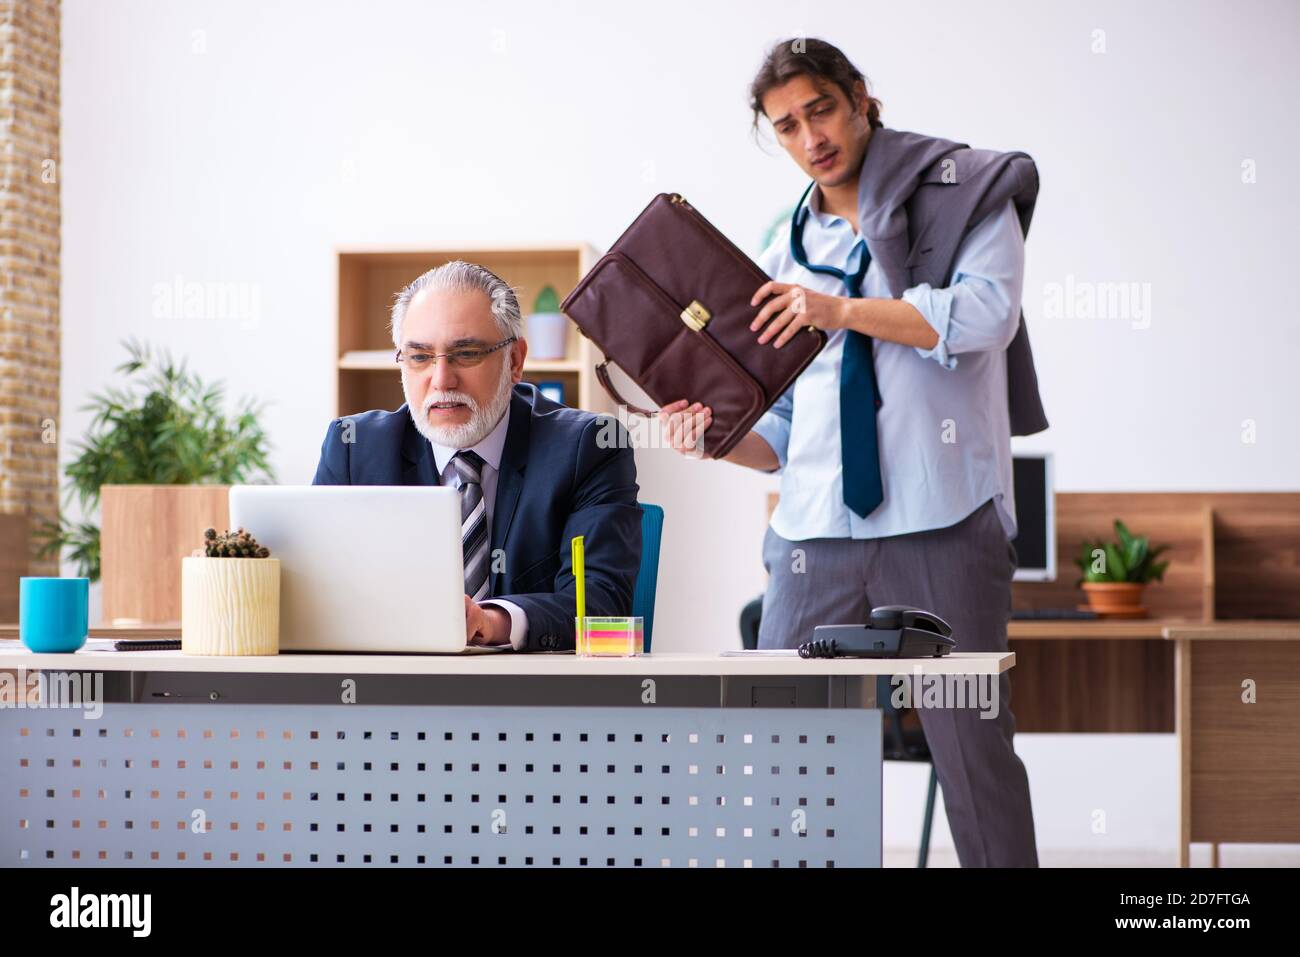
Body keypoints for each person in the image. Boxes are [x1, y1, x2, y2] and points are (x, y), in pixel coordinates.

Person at [660, 38, 1044, 866]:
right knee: (775, 738)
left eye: (821, 109)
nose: (810, 138)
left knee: (971, 751)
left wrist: (840, 311)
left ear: (862, 97)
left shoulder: (970, 195)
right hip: (813, 532)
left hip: (944, 518)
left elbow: (983, 318)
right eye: (787, 125)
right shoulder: (778, 249)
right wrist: (715, 438)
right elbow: (788, 436)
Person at [313, 260, 642, 651]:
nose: (441, 380)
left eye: (466, 353)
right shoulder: (354, 449)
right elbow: (319, 597)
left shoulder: (588, 448)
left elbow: (602, 609)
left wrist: (492, 620)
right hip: (390, 692)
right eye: (419, 357)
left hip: (537, 699)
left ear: (515, 361)